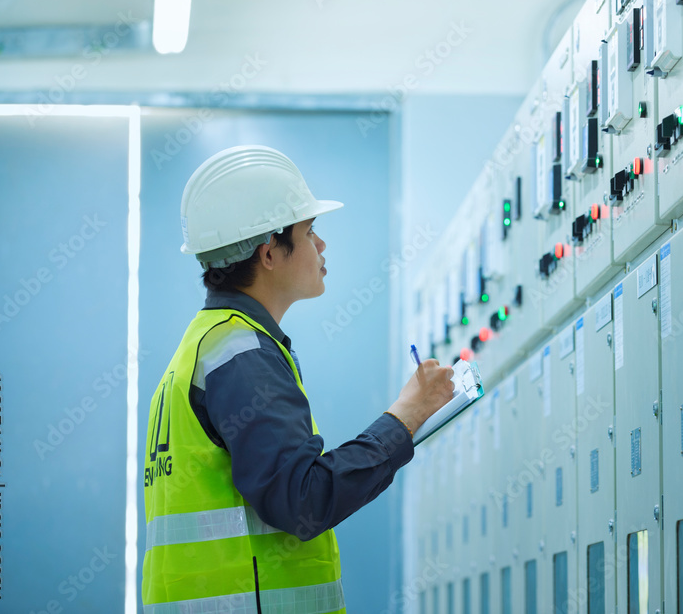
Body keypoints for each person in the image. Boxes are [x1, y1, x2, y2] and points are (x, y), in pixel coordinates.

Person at [141, 145, 454, 612]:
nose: (321, 245)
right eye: (310, 232)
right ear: (269, 253)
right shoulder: (241, 354)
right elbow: (303, 501)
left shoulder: (204, 345)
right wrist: (405, 416)